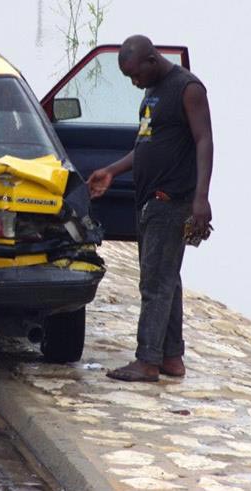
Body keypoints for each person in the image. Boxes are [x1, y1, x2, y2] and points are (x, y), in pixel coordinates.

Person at [87, 35, 213, 382]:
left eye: (135, 75)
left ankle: (147, 361)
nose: (134, 82)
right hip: (148, 202)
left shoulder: (188, 89)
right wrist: (112, 170)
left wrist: (201, 199)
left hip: (172, 200)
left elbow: (205, 140)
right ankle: (172, 357)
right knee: (167, 281)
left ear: (152, 60)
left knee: (154, 284)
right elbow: (145, 144)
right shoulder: (152, 92)